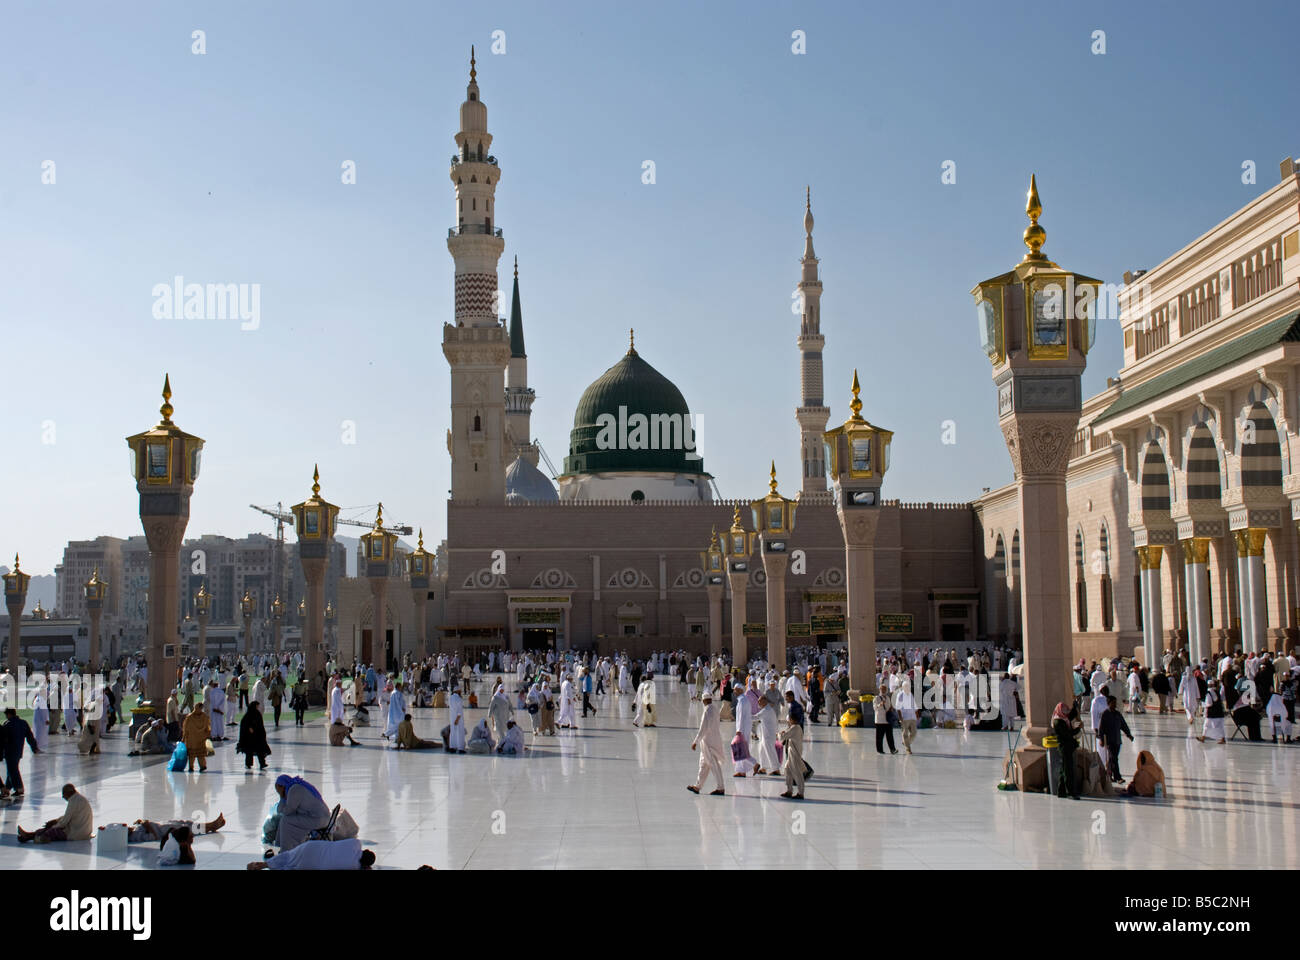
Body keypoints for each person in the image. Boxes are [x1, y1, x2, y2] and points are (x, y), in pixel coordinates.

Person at [17, 783, 93, 843]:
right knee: (51, 828)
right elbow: (69, 816)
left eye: (64, 794)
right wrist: (56, 821)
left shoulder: (73, 802)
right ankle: (27, 835)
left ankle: (28, 836)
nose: (63, 797)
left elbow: (64, 822)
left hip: (77, 833)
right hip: (84, 831)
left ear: (69, 793)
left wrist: (53, 825)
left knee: (51, 831)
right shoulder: (78, 798)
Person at [274, 775, 331, 851]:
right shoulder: (296, 786)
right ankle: (285, 847)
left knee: (285, 821)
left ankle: (287, 850)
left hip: (318, 820)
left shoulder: (294, 790)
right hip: (321, 818)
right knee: (287, 819)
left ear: (282, 786)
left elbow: (287, 811)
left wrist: (282, 798)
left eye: (278, 790)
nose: (278, 792)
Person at [248, 837, 375, 870]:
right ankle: (268, 866)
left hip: (312, 848)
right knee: (291, 865)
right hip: (312, 864)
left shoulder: (355, 844)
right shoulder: (353, 865)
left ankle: (263, 864)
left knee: (289, 856)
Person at [687, 691, 727, 796]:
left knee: (713, 765)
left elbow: (703, 729)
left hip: (708, 743)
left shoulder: (707, 711)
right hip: (713, 740)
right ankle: (697, 786)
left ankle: (720, 787)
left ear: (704, 700)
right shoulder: (714, 709)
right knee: (703, 765)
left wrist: (695, 741)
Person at [1, 708, 40, 800]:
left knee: (12, 770)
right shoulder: (23, 723)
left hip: (9, 751)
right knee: (12, 770)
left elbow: (2, 739)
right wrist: (34, 747)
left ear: (9, 714)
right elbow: (30, 736)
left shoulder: (7, 724)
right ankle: (6, 789)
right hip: (18, 751)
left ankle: (19, 788)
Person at [123, 812, 225, 844]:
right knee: (187, 828)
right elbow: (152, 837)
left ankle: (211, 825)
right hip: (163, 830)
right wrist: (147, 825)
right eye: (126, 828)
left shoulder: (134, 829)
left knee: (186, 823)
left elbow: (144, 824)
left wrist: (141, 822)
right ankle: (213, 825)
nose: (128, 827)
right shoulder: (135, 837)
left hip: (162, 824)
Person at [1098, 696, 1134, 783]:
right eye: (1113, 702)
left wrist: (1129, 734)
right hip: (1109, 741)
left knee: (1112, 759)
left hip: (1117, 740)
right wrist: (1101, 739)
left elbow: (1123, 725)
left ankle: (1109, 774)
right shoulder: (1105, 714)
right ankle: (1118, 777)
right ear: (1108, 703)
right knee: (1114, 758)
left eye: (1115, 702)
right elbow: (1101, 728)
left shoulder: (1118, 714)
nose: (1115, 704)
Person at [1050, 701, 1081, 800]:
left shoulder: (1063, 718)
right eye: (1064, 710)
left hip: (1068, 747)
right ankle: (1070, 792)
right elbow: (1067, 734)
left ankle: (1061, 791)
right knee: (1068, 771)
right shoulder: (1058, 722)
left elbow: (1070, 715)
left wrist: (1075, 707)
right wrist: (1078, 729)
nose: (1066, 712)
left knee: (1064, 769)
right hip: (1064, 747)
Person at [778, 708, 805, 799]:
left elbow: (783, 737)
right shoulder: (797, 728)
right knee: (788, 771)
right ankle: (789, 791)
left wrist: (779, 733)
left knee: (797, 773)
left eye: (789, 720)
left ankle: (801, 793)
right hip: (791, 753)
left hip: (794, 753)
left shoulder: (794, 728)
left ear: (792, 720)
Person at [236, 701, 271, 771]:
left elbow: (260, 725)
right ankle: (249, 764)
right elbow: (245, 725)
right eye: (257, 706)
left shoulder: (257, 714)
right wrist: (249, 728)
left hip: (257, 736)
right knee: (250, 751)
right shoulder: (248, 716)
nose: (258, 708)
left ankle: (262, 763)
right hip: (250, 738)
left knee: (259, 751)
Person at [182, 702, 210, 772]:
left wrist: (184, 738)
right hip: (195, 739)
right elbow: (208, 727)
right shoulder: (202, 716)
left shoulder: (190, 717)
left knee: (197, 754)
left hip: (195, 739)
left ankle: (200, 766)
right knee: (194, 755)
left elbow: (185, 728)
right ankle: (193, 766)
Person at [1197, 678, 1227, 744]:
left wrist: (1203, 705)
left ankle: (1203, 737)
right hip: (1219, 712)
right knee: (1220, 726)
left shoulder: (1208, 693)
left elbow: (1209, 704)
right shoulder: (1217, 692)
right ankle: (1222, 738)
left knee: (1206, 725)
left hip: (1211, 713)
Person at [895, 677, 918, 754]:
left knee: (914, 733)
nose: (908, 688)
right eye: (906, 687)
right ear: (903, 687)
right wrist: (900, 718)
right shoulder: (900, 695)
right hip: (905, 717)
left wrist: (916, 714)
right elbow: (898, 707)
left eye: (908, 687)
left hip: (912, 716)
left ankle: (906, 743)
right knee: (905, 733)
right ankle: (908, 749)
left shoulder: (911, 694)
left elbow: (914, 705)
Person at [873, 690, 897, 755]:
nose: (884, 691)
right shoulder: (876, 698)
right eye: (883, 689)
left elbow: (889, 707)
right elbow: (875, 708)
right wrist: (880, 704)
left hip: (888, 720)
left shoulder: (888, 698)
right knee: (879, 736)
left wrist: (891, 708)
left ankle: (893, 749)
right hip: (880, 720)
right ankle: (879, 750)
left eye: (885, 689)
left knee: (890, 736)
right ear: (880, 690)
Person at [446, 688, 467, 753]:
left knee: (453, 733)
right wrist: (457, 719)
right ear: (458, 691)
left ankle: (452, 747)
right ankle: (460, 748)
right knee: (460, 733)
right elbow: (459, 711)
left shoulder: (451, 698)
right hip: (458, 719)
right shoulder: (459, 699)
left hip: (452, 718)